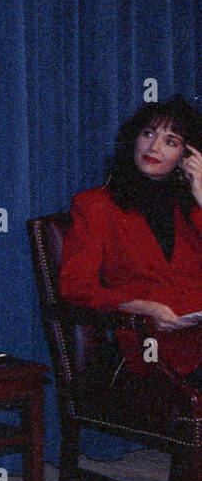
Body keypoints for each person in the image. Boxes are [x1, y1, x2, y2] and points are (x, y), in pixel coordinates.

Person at [59, 96, 202, 379]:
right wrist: (138, 307)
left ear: (186, 157)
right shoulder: (94, 205)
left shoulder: (191, 206)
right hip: (150, 343)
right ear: (132, 139)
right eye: (148, 133)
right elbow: (74, 286)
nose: (154, 147)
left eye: (170, 142)